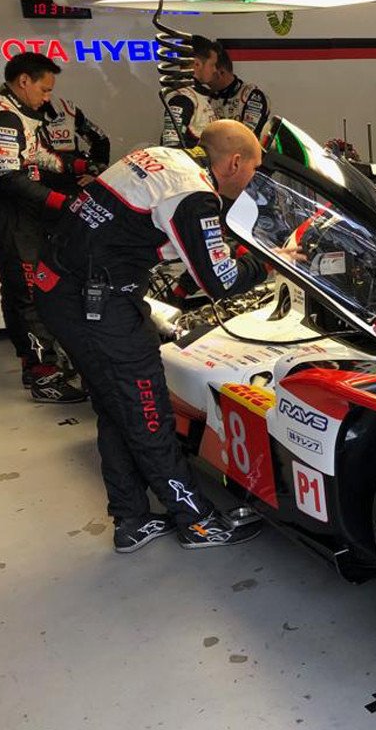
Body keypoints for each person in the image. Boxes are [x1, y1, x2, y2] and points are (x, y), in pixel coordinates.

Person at [34, 120, 268, 553]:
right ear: (235, 162)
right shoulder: (194, 194)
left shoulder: (162, 158)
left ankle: (131, 520)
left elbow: (145, 235)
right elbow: (220, 280)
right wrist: (269, 263)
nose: (254, 179)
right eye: (254, 169)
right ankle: (196, 521)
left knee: (115, 406)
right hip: (96, 304)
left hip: (65, 289)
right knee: (148, 412)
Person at [0, 52, 86, 402]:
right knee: (29, 294)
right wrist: (61, 202)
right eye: (45, 90)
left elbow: (33, 154)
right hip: (9, 216)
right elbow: (9, 176)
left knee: (21, 289)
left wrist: (74, 164)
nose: (48, 98)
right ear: (24, 82)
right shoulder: (3, 117)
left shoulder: (15, 110)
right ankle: (43, 376)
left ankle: (34, 365)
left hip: (17, 215)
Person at [160, 34, 220, 148]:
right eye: (212, 65)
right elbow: (171, 145)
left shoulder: (197, 94)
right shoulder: (183, 97)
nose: (215, 70)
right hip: (190, 165)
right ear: (197, 64)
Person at [42, 96, 111, 181]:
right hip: (38, 182)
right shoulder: (22, 118)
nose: (46, 96)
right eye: (43, 90)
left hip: (73, 177)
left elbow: (100, 140)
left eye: (48, 90)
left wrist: (94, 171)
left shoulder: (65, 108)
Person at [209, 48, 272, 137]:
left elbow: (247, 139)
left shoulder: (253, 96)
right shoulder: (205, 94)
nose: (205, 78)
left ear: (221, 73)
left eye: (209, 71)